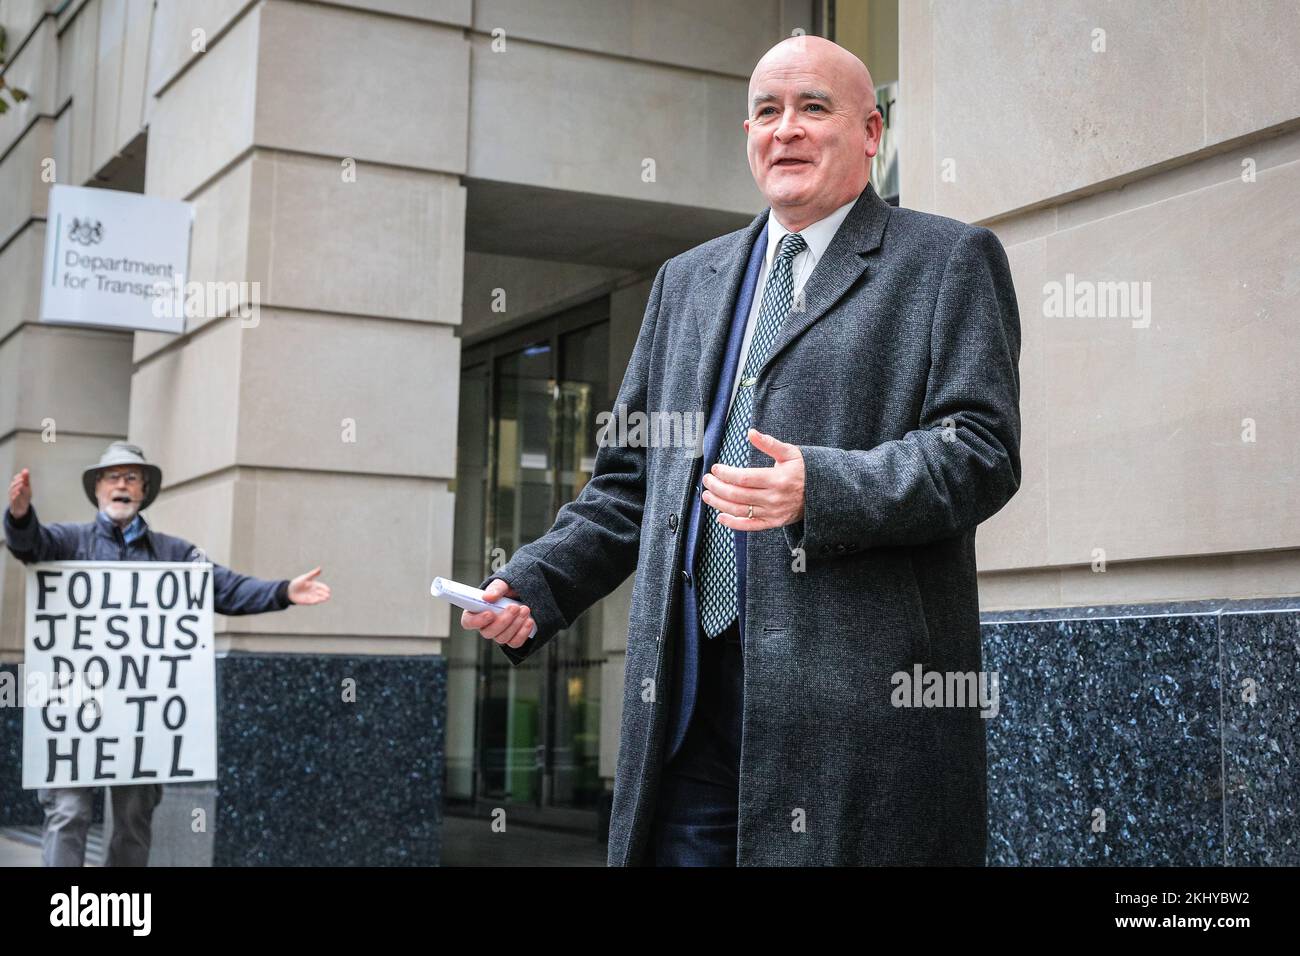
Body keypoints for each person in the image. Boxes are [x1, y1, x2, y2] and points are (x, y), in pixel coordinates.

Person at [461, 35, 1021, 865]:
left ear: (872, 132)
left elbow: (979, 450)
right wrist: (536, 583)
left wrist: (822, 488)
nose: (785, 129)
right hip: (687, 708)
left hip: (852, 716)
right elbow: (628, 485)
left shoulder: (946, 261)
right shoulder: (687, 281)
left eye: (813, 108)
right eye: (767, 111)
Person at [4, 441, 332, 866]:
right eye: (113, 477)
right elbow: (29, 545)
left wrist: (283, 591)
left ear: (143, 491)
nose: (122, 485)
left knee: (133, 819)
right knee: (68, 812)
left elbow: (223, 588)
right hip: (74, 709)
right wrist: (19, 516)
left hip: (142, 716)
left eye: (132, 477)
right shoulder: (68, 542)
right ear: (98, 488)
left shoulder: (174, 554)